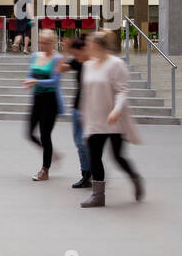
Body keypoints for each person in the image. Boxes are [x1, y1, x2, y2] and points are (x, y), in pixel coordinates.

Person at [80, 29, 144, 208]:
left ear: (98, 46)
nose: (87, 47)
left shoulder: (116, 64)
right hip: (95, 121)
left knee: (117, 157)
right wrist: (84, 117)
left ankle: (135, 178)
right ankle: (98, 196)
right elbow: (86, 93)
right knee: (94, 157)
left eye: (89, 44)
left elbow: (123, 90)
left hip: (114, 121)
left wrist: (116, 110)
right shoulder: (88, 66)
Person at [22, 31, 66, 181]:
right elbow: (31, 73)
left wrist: (36, 82)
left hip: (50, 100)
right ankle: (51, 153)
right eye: (41, 42)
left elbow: (55, 81)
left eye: (46, 42)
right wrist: (28, 80)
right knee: (29, 133)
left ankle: (45, 169)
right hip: (37, 98)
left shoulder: (58, 58)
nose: (43, 45)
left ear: (53, 43)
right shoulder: (35, 56)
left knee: (45, 135)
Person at [63, 37, 92, 190]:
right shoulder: (77, 61)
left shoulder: (93, 64)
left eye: (76, 53)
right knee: (79, 144)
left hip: (90, 109)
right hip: (77, 107)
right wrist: (66, 52)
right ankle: (86, 174)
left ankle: (92, 173)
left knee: (84, 143)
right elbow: (59, 69)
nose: (76, 57)